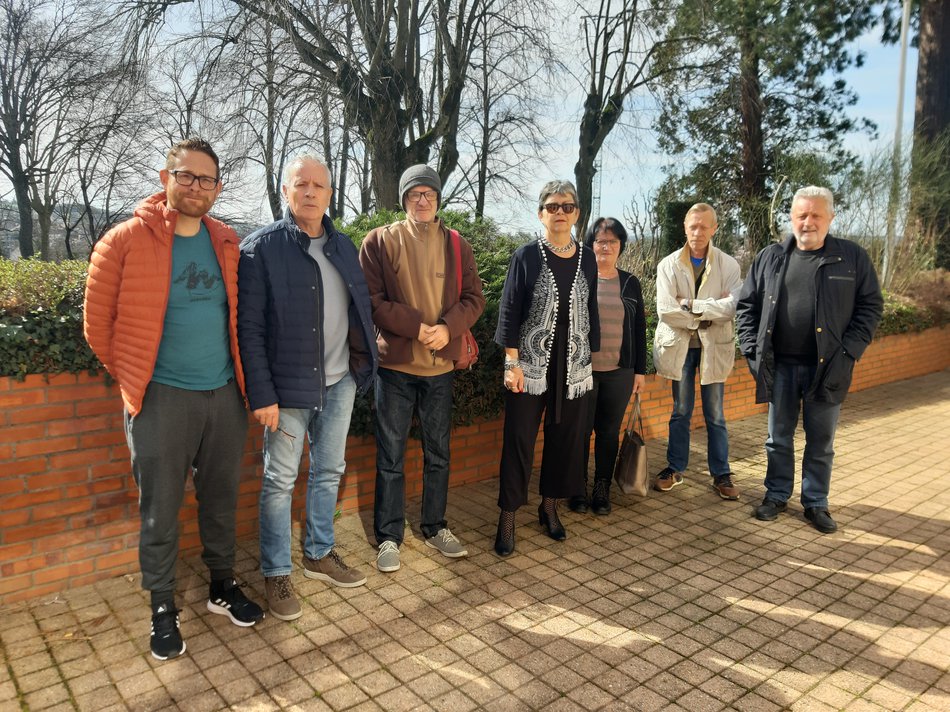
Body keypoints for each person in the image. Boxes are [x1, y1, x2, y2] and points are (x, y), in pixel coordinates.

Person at [84, 138, 263, 661]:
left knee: (221, 500)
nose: (195, 187)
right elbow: (98, 328)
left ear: (218, 189)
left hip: (225, 397)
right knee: (160, 508)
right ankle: (162, 606)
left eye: (206, 179)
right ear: (166, 178)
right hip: (160, 399)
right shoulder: (123, 241)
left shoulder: (228, 241)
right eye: (185, 176)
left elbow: (240, 317)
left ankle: (221, 586)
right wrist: (139, 377)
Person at [238, 156, 378, 620]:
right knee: (279, 481)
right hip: (287, 392)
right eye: (302, 184)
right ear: (286, 190)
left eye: (320, 185)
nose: (311, 192)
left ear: (330, 194)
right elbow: (250, 330)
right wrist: (263, 395)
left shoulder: (342, 244)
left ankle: (319, 553)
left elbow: (358, 308)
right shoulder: (261, 249)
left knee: (329, 471)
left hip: (339, 384)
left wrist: (364, 361)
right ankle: (277, 573)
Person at [359, 165, 486, 573]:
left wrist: (447, 328)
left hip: (439, 371)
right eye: (414, 193)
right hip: (395, 369)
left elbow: (474, 298)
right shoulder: (379, 241)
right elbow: (372, 301)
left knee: (439, 455)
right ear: (403, 199)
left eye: (429, 192)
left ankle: (434, 526)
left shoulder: (456, 243)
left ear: (438, 198)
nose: (422, 199)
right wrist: (417, 328)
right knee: (390, 456)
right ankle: (389, 536)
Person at [736, 186, 883, 534]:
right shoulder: (771, 257)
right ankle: (776, 494)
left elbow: (870, 307)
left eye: (816, 214)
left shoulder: (852, 258)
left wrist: (848, 353)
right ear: (791, 216)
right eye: (802, 214)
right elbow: (746, 306)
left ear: (830, 217)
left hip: (828, 368)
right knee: (777, 438)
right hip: (780, 367)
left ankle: (815, 503)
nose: (808, 221)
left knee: (821, 441)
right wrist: (752, 351)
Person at [493, 180, 600, 556]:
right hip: (530, 366)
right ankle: (507, 518)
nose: (559, 212)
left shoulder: (587, 257)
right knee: (519, 441)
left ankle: (550, 508)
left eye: (567, 206)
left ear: (576, 214)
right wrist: (511, 363)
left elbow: (590, 310)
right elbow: (509, 311)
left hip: (573, 368)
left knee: (566, 441)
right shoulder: (526, 255)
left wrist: (589, 362)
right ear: (541, 213)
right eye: (552, 206)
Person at [653, 202, 742, 499]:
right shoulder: (667, 264)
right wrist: (709, 311)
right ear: (685, 228)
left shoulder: (729, 265)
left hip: (712, 349)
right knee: (680, 411)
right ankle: (675, 468)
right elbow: (666, 310)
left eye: (704, 226)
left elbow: (732, 308)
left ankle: (721, 473)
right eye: (693, 225)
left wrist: (691, 305)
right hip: (680, 349)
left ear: (714, 228)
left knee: (715, 414)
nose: (698, 231)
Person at [568, 217, 647, 515]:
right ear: (591, 245)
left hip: (620, 371)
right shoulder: (580, 280)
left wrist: (640, 371)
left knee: (608, 432)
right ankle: (576, 487)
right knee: (580, 431)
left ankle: (601, 488)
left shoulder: (630, 282)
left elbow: (639, 329)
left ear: (620, 246)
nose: (606, 246)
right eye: (600, 241)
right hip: (582, 371)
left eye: (612, 241)